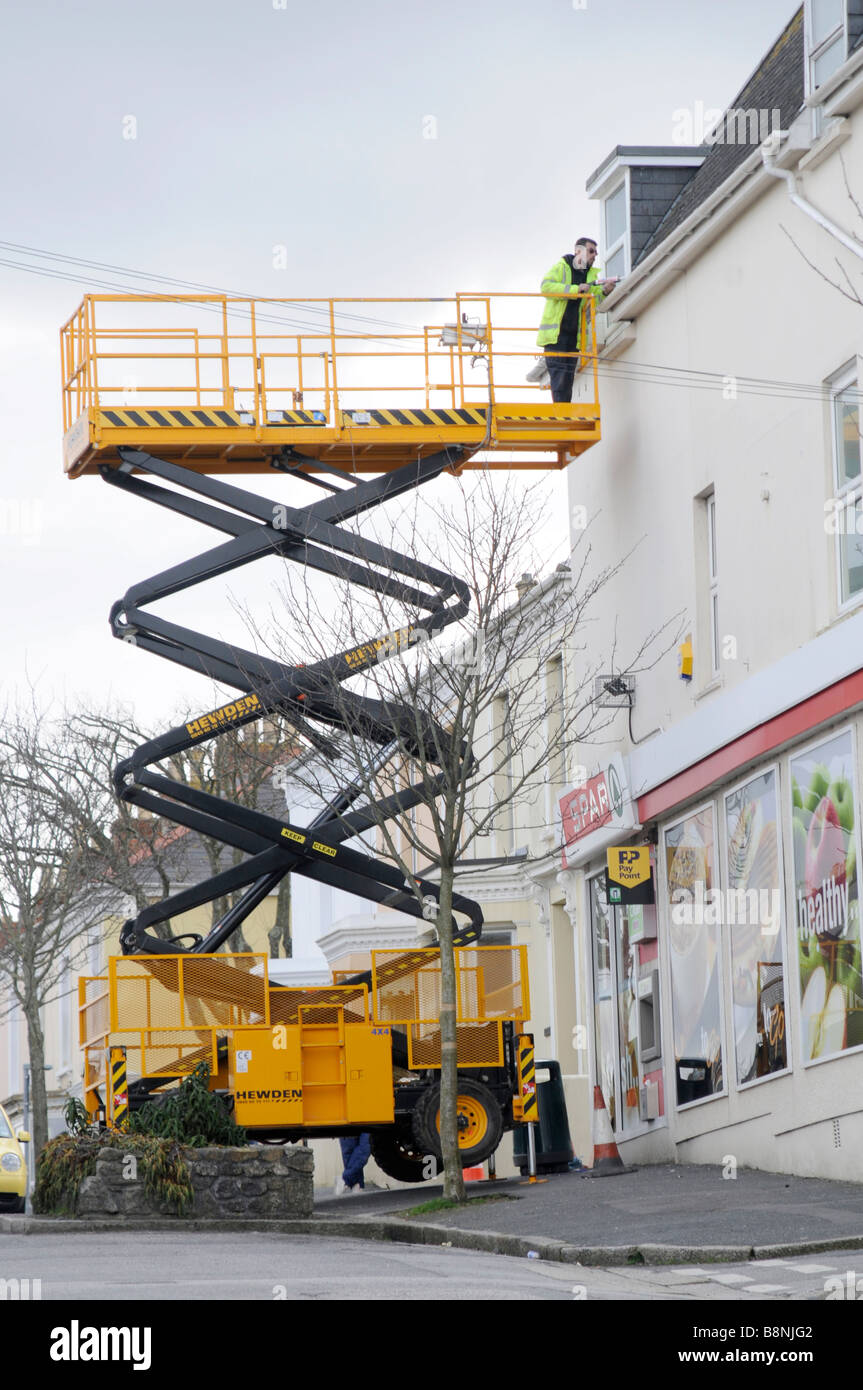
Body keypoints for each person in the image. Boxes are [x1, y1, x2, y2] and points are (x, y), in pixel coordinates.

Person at [537, 238, 618, 402]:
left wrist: (604, 291)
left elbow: (593, 300)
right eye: (591, 251)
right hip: (556, 335)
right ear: (578, 251)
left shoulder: (588, 274)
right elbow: (546, 287)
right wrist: (576, 289)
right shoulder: (563, 267)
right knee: (559, 379)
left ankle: (565, 414)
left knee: (567, 380)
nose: (594, 255)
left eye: (595, 252)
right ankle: (562, 415)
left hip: (573, 336)